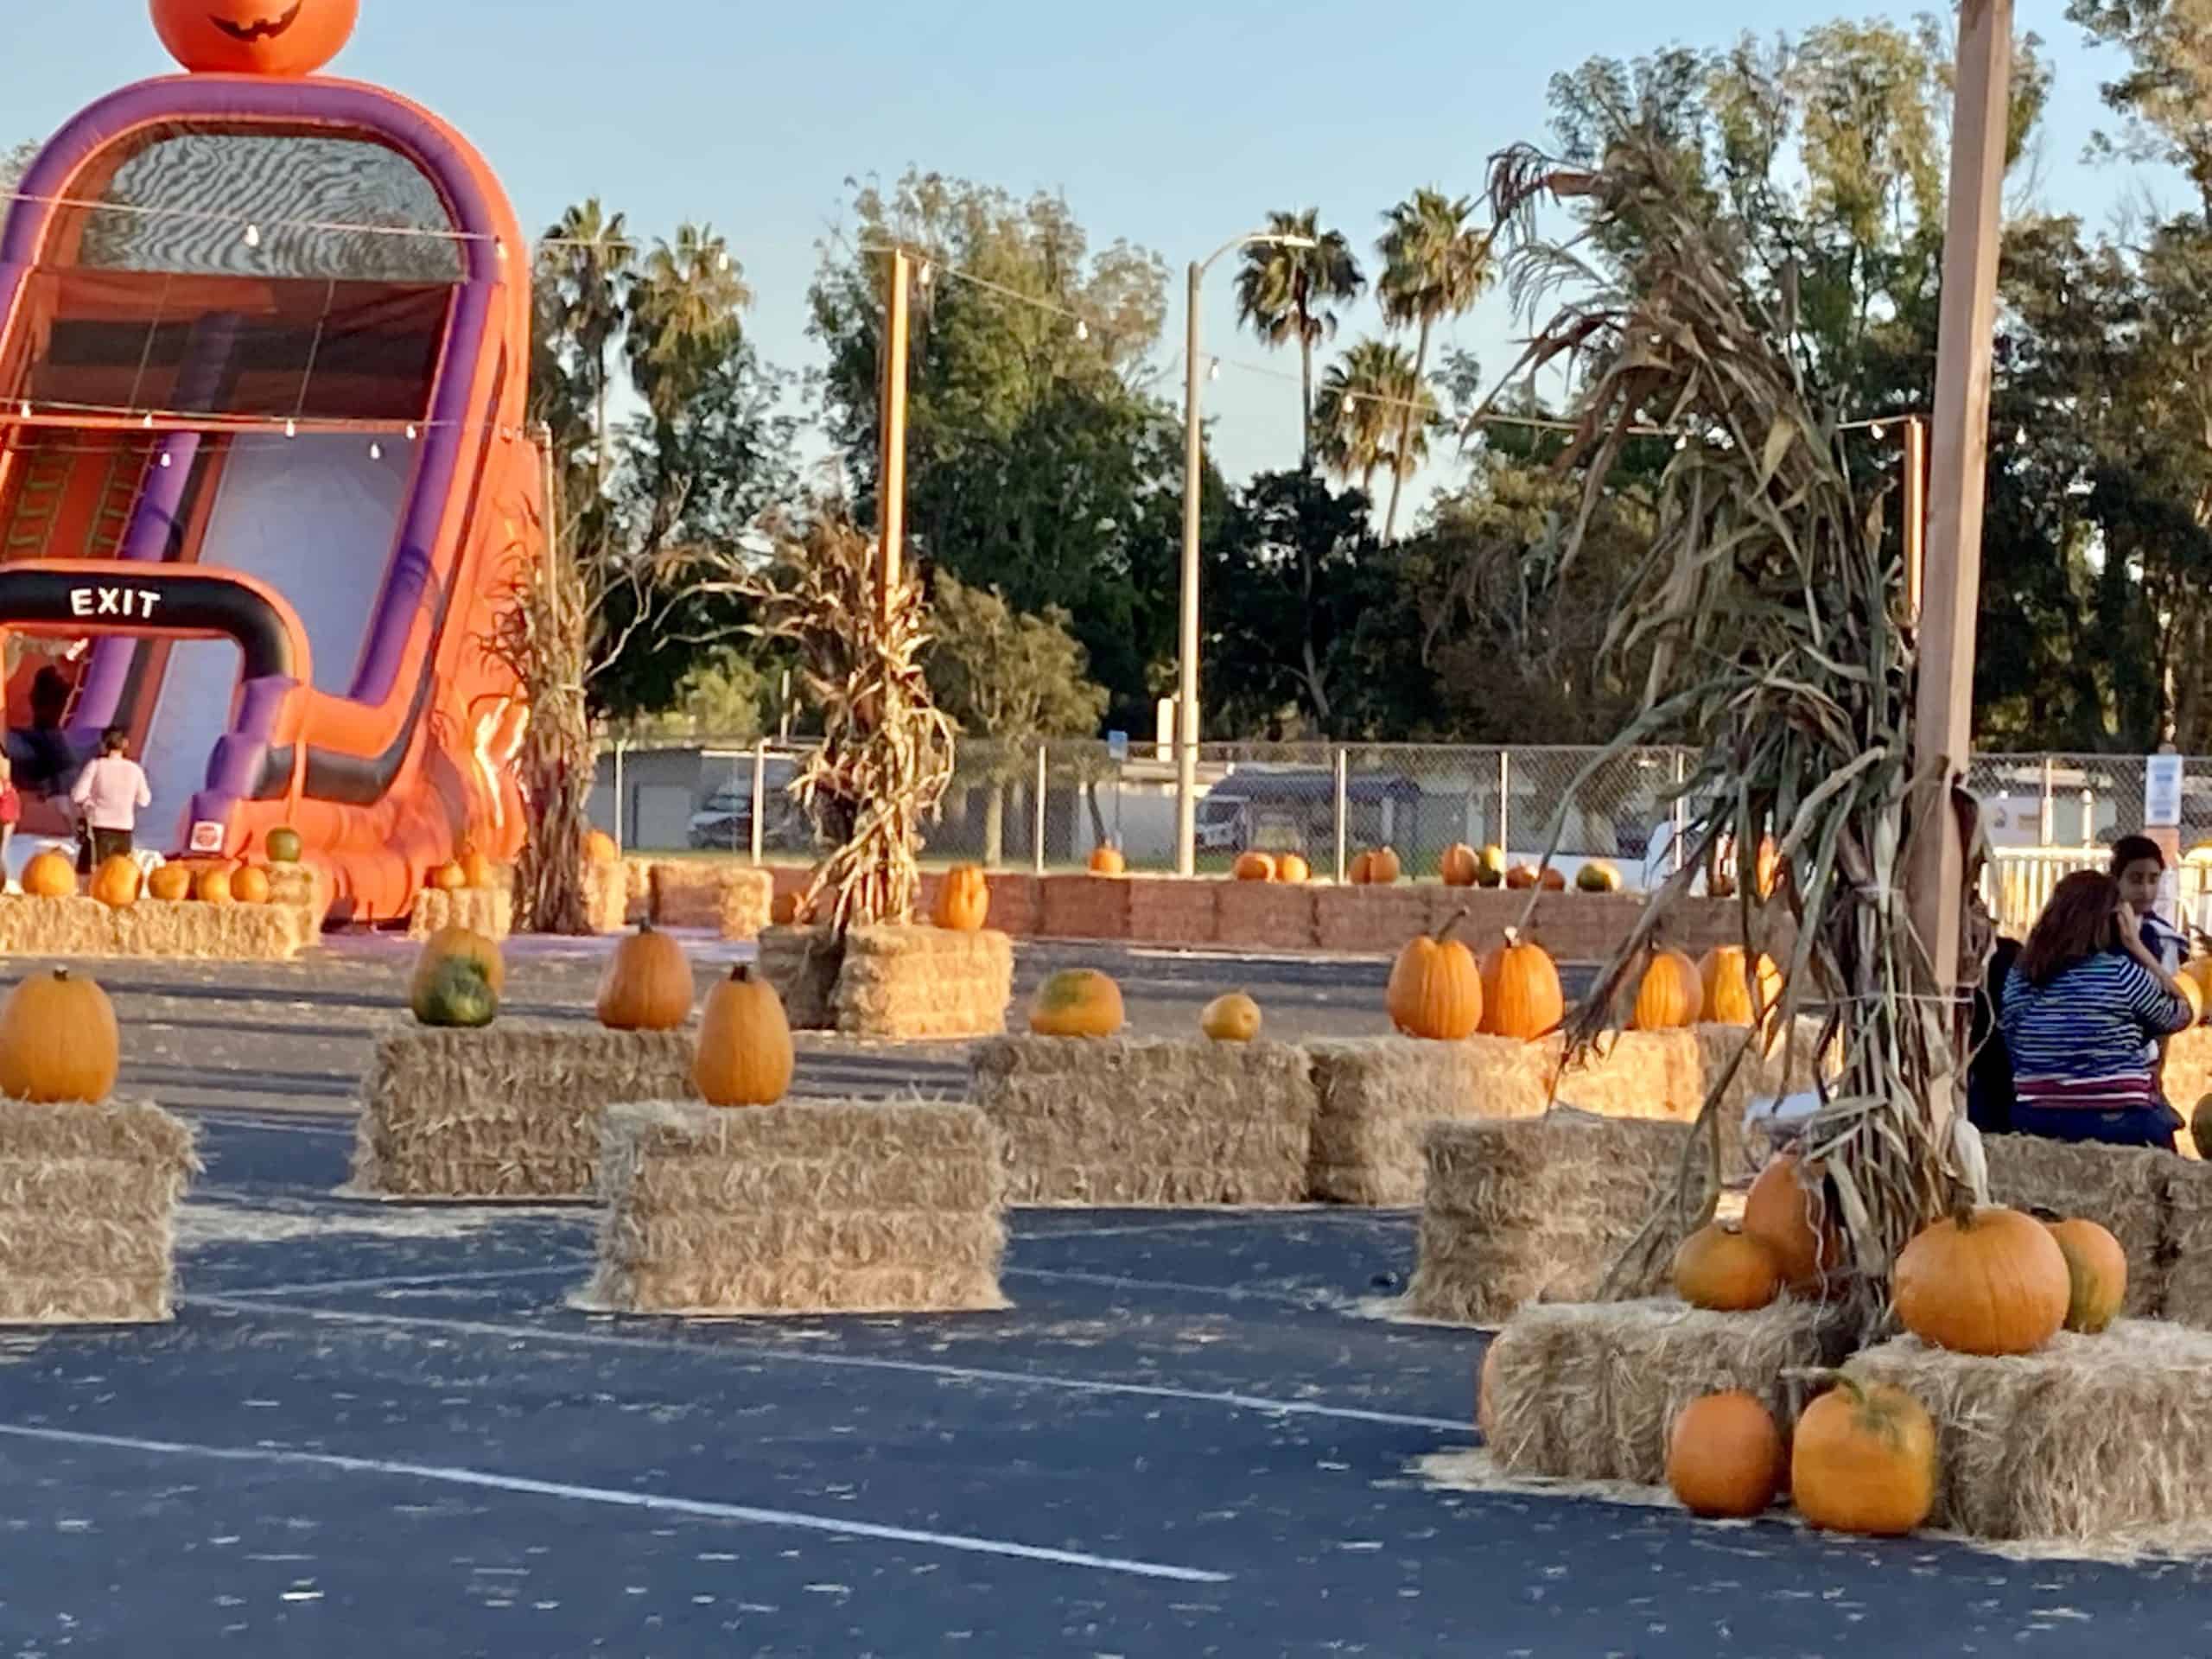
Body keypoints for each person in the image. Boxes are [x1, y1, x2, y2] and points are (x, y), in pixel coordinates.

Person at [2000, 869, 2196, 1149]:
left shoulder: (2021, 975)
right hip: (2117, 1120)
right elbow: (2181, 1013)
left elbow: (2011, 1039)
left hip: (2035, 1115)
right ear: (2113, 921)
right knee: (2165, 1122)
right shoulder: (2121, 973)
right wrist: (2137, 946)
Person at [68, 727, 150, 874]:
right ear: (125, 744)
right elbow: (145, 800)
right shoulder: (135, 769)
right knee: (118, 875)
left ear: (103, 744)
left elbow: (77, 795)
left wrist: (88, 804)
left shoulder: (96, 765)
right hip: (124, 829)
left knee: (91, 875)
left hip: (98, 828)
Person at [2113, 834, 2188, 976]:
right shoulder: (2094, 930)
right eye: (2136, 880)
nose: (2146, 890)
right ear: (2115, 879)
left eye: (2153, 880)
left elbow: (2168, 986)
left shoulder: (2163, 937)